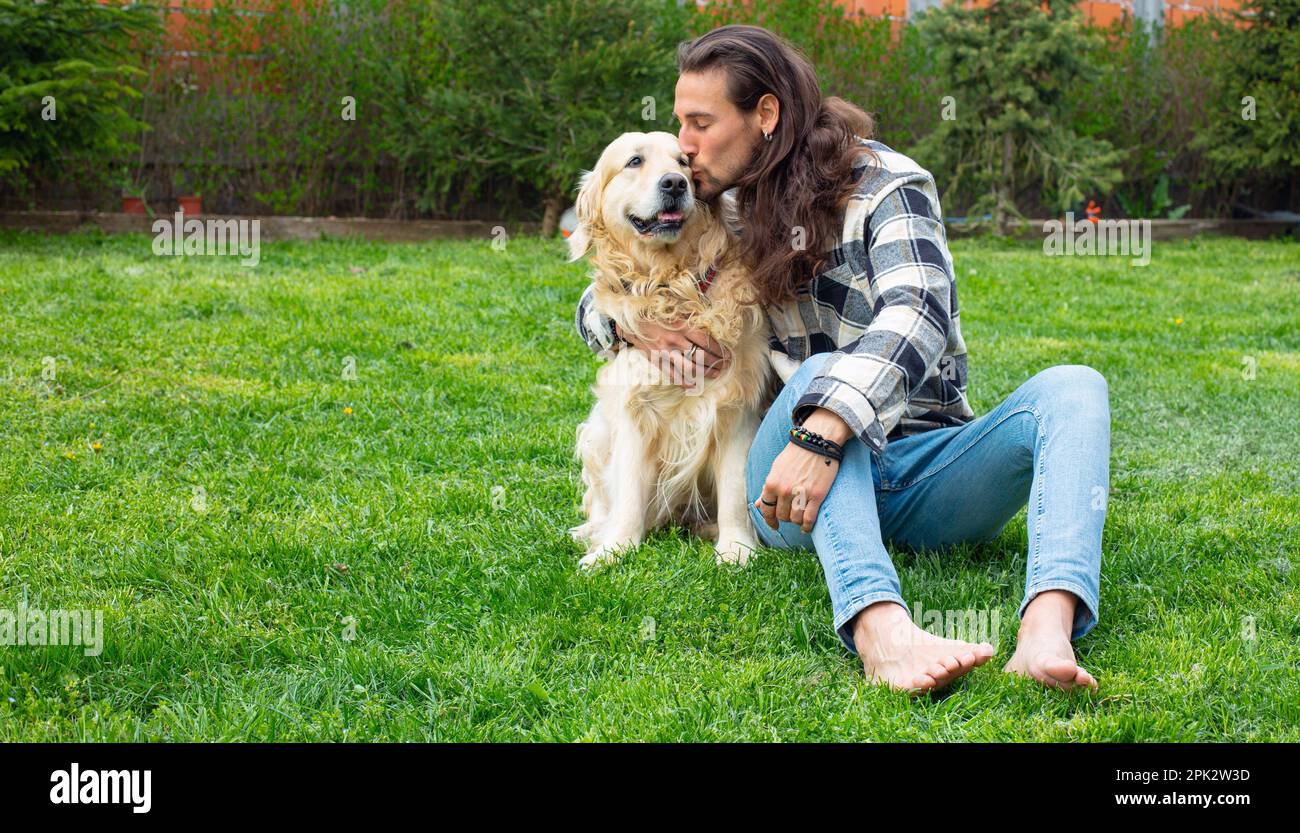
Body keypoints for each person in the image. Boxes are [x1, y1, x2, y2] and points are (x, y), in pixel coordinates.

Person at [574, 25, 1107, 694]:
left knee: (1076, 386)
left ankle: (1047, 627)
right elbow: (614, 274)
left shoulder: (889, 186)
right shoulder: (719, 201)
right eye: (681, 122)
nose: (682, 145)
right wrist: (629, 330)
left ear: (765, 115)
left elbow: (918, 312)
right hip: (789, 492)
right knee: (818, 378)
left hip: (919, 469)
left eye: (700, 123)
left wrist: (825, 427)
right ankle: (881, 630)